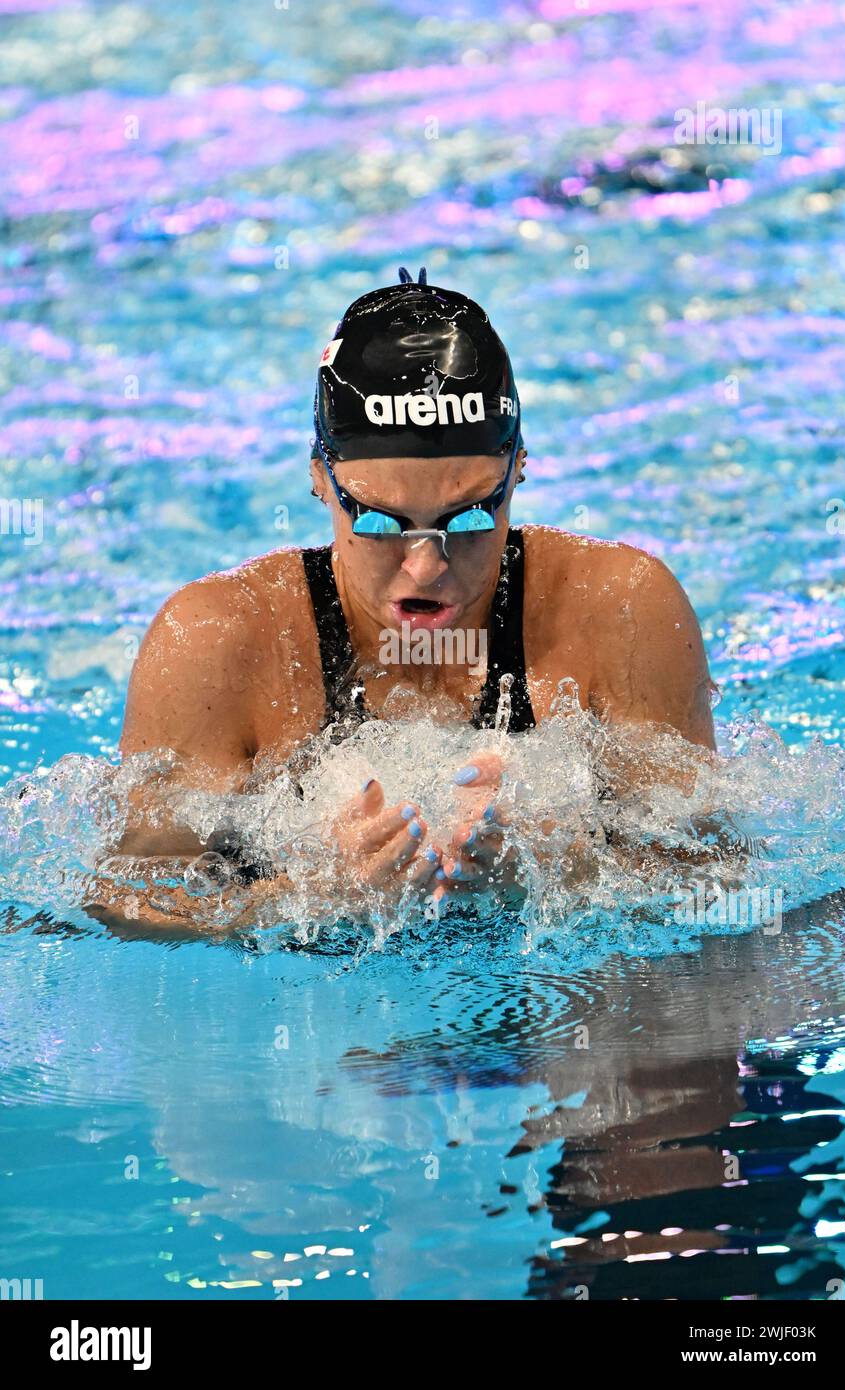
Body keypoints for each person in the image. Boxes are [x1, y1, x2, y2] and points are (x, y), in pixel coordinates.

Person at [107, 266, 716, 925]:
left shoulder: (625, 609)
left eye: (471, 517)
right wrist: (309, 896)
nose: (426, 567)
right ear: (320, 478)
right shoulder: (215, 643)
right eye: (377, 522)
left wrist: (570, 873)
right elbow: (126, 904)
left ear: (518, 468)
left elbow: (720, 872)